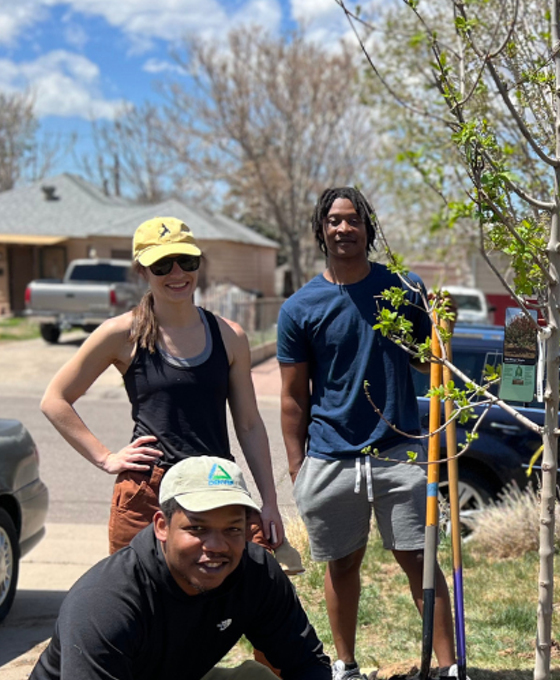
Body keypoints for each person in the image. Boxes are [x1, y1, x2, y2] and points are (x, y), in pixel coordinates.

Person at [278, 187, 455, 680]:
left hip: (400, 450)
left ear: (367, 229)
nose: (343, 229)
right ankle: (346, 664)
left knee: (419, 560)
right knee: (341, 564)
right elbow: (293, 398)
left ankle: (448, 668)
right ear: (321, 230)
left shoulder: (402, 289)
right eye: (333, 221)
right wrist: (298, 468)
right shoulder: (300, 307)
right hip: (331, 455)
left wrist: (441, 325)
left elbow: (427, 363)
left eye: (353, 220)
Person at [41, 216, 284, 555]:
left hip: (214, 485)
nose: (177, 273)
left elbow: (249, 423)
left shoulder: (229, 336)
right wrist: (106, 458)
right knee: (139, 603)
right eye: (161, 265)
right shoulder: (122, 333)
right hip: (147, 494)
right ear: (141, 270)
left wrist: (269, 501)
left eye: (186, 261)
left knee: (221, 602)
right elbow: (55, 400)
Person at [30, 456, 330, 680]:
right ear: (162, 526)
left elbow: (306, 664)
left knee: (254, 678)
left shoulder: (256, 572)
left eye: (232, 529)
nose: (216, 545)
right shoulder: (105, 601)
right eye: (197, 528)